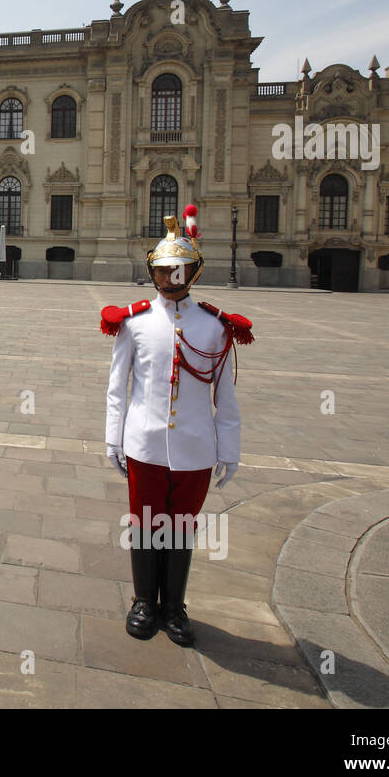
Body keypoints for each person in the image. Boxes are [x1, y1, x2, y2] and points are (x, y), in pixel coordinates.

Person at [102, 203, 253, 646]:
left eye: (180, 269)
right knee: (147, 524)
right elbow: (117, 388)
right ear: (153, 273)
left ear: (193, 272)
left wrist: (230, 449)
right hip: (144, 443)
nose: (172, 277)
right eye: (165, 269)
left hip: (194, 446)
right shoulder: (134, 324)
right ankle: (144, 601)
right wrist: (113, 439)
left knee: (181, 528)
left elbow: (224, 395)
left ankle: (175, 606)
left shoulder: (214, 327)